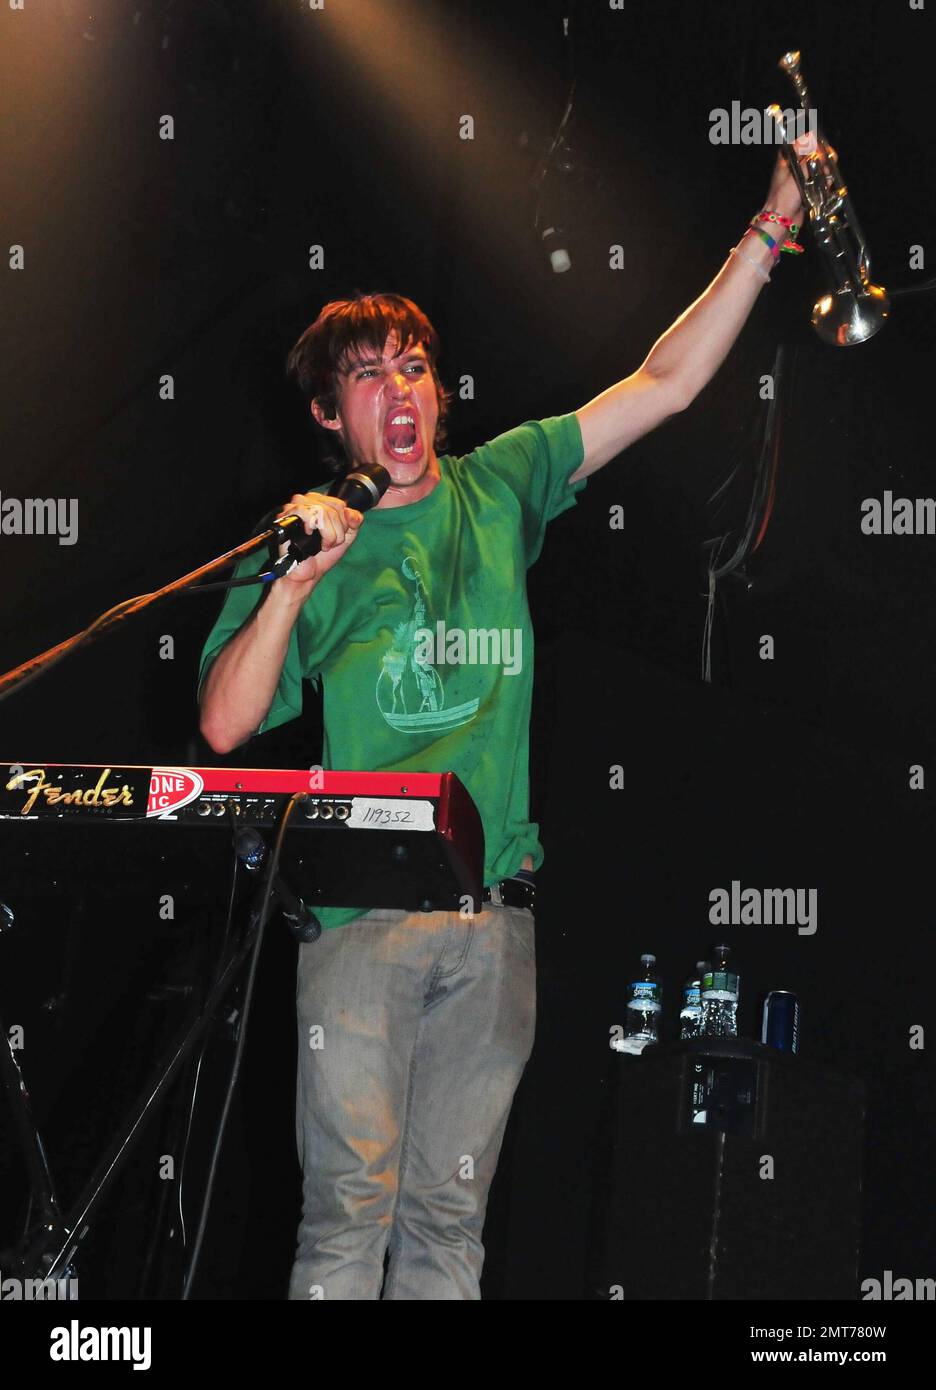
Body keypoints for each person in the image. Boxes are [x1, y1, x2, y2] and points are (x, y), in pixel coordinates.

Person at [197, 143, 809, 1300]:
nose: (401, 392)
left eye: (415, 367)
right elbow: (227, 726)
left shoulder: (503, 482)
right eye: (369, 376)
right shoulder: (309, 545)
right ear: (332, 413)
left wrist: (768, 233)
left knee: (447, 1228)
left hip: (494, 920)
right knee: (344, 1221)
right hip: (358, 913)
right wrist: (291, 580)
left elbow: (663, 386)